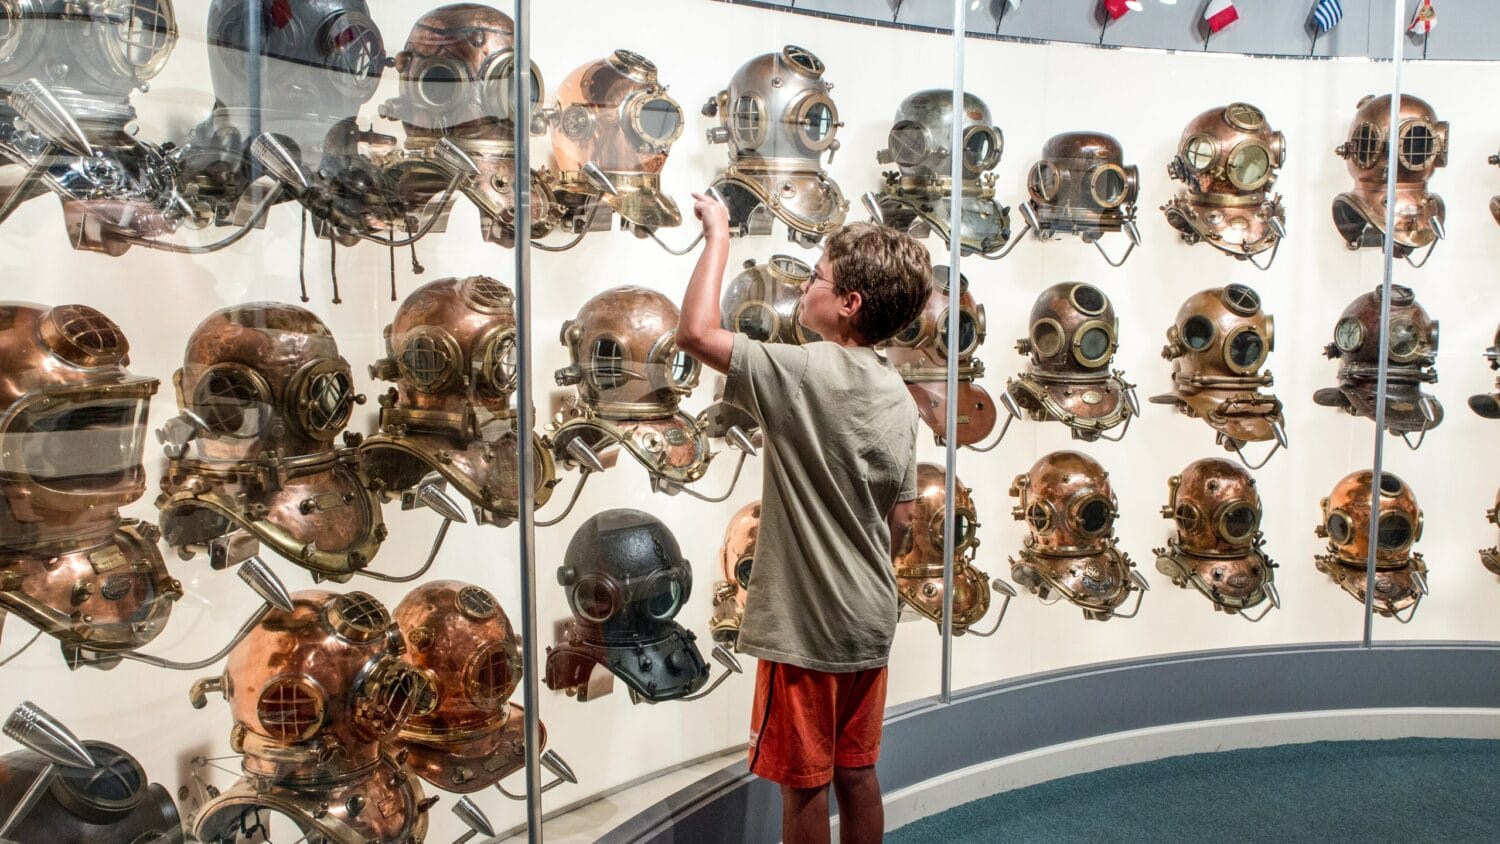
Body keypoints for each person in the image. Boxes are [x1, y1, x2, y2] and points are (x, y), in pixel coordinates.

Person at [676, 192, 931, 844]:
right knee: (857, 772)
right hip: (869, 618)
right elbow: (902, 519)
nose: (806, 287)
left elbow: (696, 333)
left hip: (807, 628)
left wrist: (719, 234)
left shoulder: (801, 371)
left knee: (805, 787)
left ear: (849, 303)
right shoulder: (900, 397)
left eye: (816, 277)